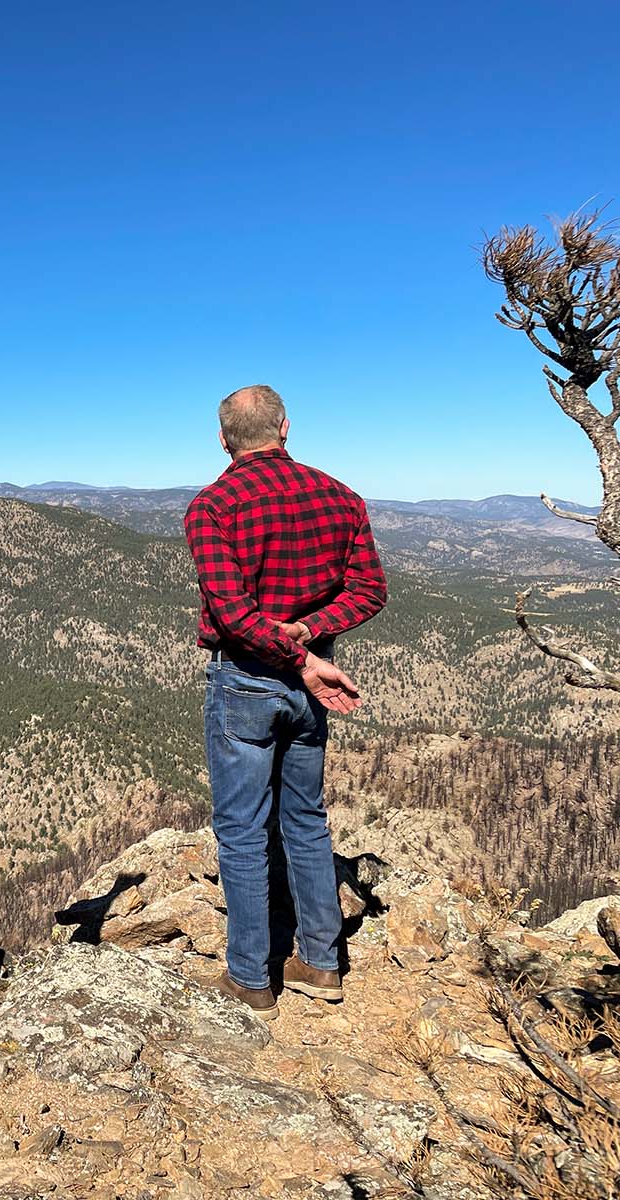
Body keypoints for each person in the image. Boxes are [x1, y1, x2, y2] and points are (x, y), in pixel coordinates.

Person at [183, 385, 387, 1019]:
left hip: (250, 678)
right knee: (306, 820)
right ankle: (321, 963)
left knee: (242, 832)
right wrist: (312, 634)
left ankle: (250, 977)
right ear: (285, 428)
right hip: (311, 684)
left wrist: (292, 650)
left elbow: (232, 612)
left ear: (223, 439)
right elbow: (371, 589)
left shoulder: (212, 506)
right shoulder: (341, 497)